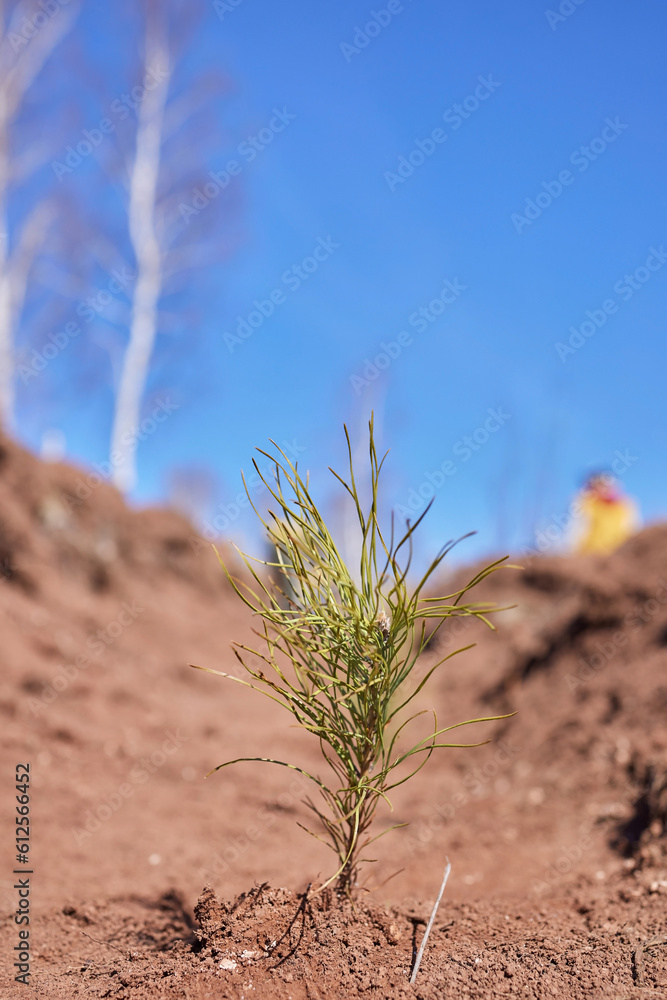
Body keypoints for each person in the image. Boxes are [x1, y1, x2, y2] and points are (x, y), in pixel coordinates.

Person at [573, 472, 640, 555]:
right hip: (589, 556)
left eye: (606, 485)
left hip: (617, 556)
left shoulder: (626, 505)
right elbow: (574, 533)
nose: (603, 489)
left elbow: (632, 530)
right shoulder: (585, 503)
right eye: (599, 485)